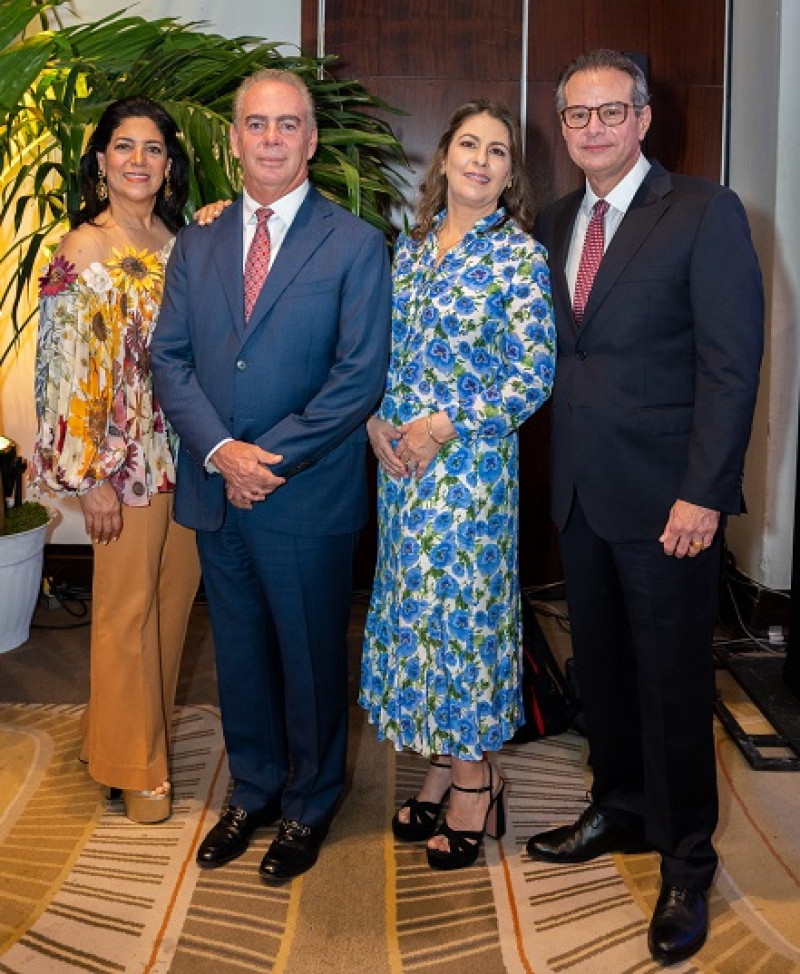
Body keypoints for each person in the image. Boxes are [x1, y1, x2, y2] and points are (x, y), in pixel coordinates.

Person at [524, 50, 763, 965]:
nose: (593, 129)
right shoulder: (550, 223)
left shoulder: (705, 213)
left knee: (671, 685)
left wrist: (705, 494)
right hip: (582, 493)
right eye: (577, 116)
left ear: (643, 116)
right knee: (608, 674)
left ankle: (686, 858)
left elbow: (731, 367)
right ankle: (619, 809)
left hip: (671, 502)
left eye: (609, 113)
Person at [150, 68, 391, 881]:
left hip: (307, 494)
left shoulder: (355, 244)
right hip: (220, 488)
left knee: (313, 658)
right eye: (257, 125)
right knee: (241, 656)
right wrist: (222, 452)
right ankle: (251, 790)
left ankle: (311, 804)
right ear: (233, 139)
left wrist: (267, 459)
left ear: (312, 140)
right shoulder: (199, 239)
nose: (272, 139)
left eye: (289, 125)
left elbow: (358, 379)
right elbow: (170, 358)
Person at [360, 100, 556, 871]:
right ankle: (441, 761)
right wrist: (379, 423)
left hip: (467, 471)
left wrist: (442, 425)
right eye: (468, 145)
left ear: (511, 174)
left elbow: (533, 377)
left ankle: (477, 781)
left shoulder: (519, 258)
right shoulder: (408, 249)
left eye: (497, 151)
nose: (479, 160)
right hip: (401, 471)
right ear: (443, 157)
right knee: (416, 610)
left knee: (462, 619)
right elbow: (387, 355)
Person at [32, 96, 201, 824]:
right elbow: (59, 371)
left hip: (187, 453)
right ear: (100, 161)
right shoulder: (81, 248)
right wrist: (90, 476)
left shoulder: (183, 242)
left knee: (170, 608)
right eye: (124, 146)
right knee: (125, 613)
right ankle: (135, 769)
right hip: (122, 462)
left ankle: (124, 741)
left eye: (153, 148)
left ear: (169, 164)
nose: (139, 160)